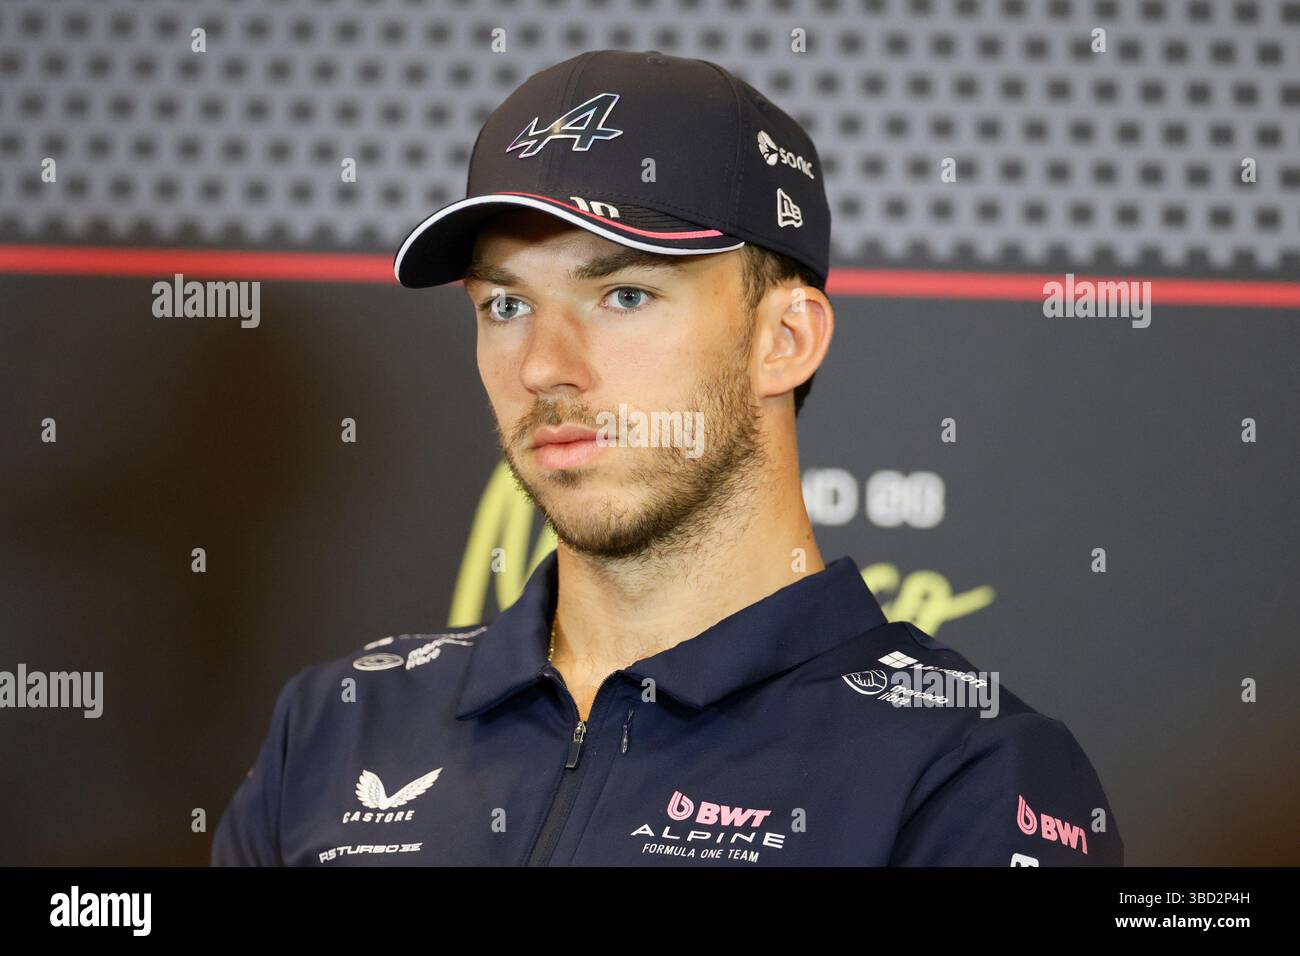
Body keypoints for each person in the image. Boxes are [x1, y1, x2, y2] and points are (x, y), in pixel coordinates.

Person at [212, 49, 1122, 866]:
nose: (543, 367)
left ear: (786, 338)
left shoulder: (965, 772)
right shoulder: (337, 730)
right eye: (505, 306)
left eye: (627, 294)